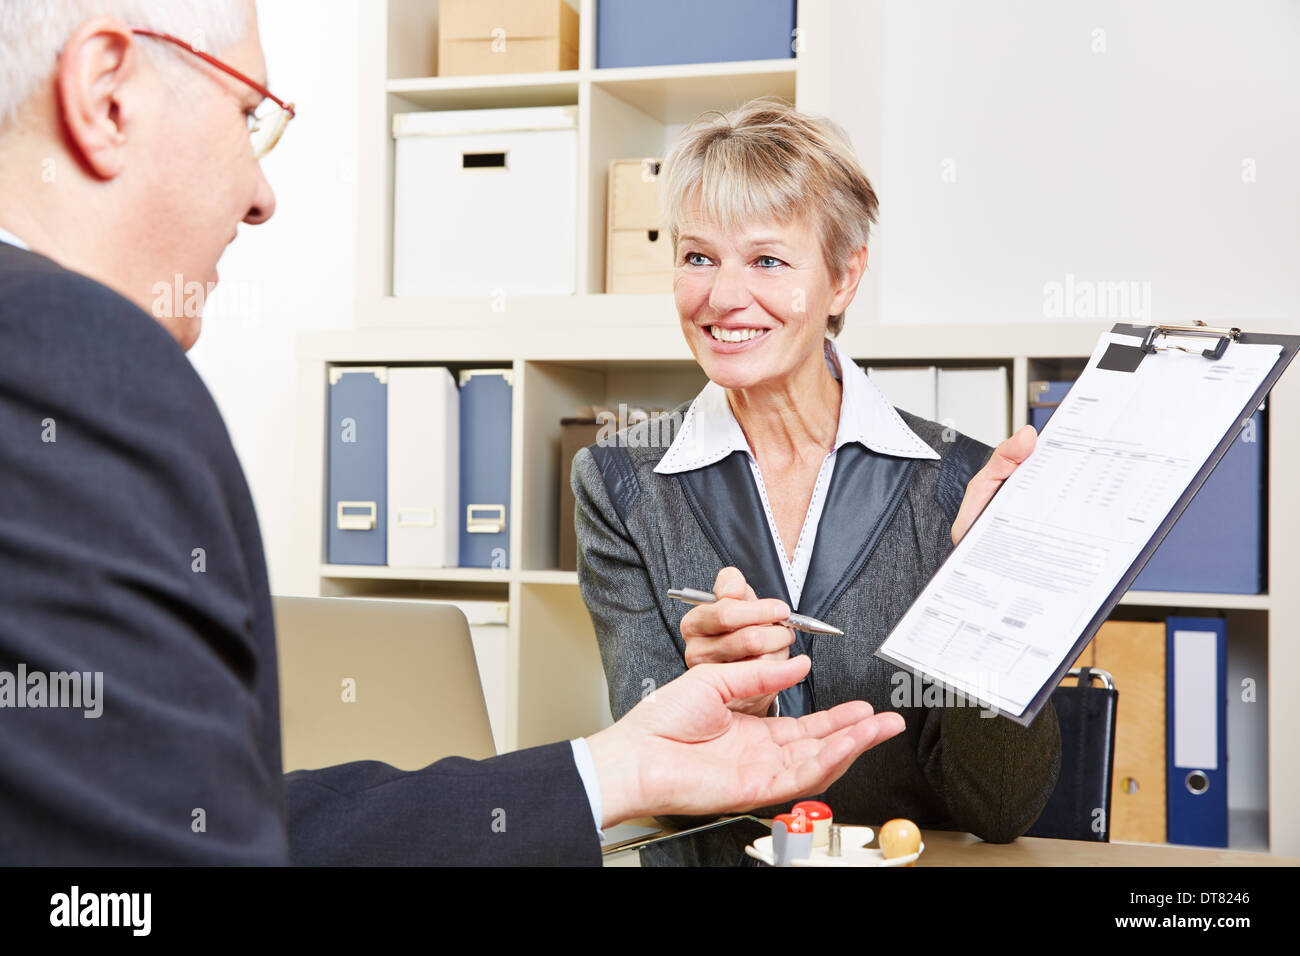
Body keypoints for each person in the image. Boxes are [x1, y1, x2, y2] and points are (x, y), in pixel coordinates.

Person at [0, 2, 907, 865]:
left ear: (844, 277)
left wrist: (614, 768)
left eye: (768, 260)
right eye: (247, 115)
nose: (262, 193)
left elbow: (183, 830)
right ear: (106, 93)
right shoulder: (70, 357)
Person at [573, 98, 1061, 843]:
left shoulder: (961, 484)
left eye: (767, 260)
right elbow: (662, 788)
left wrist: (987, 588)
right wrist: (734, 702)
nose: (723, 297)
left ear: (842, 278)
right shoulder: (620, 485)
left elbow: (999, 808)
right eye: (698, 256)